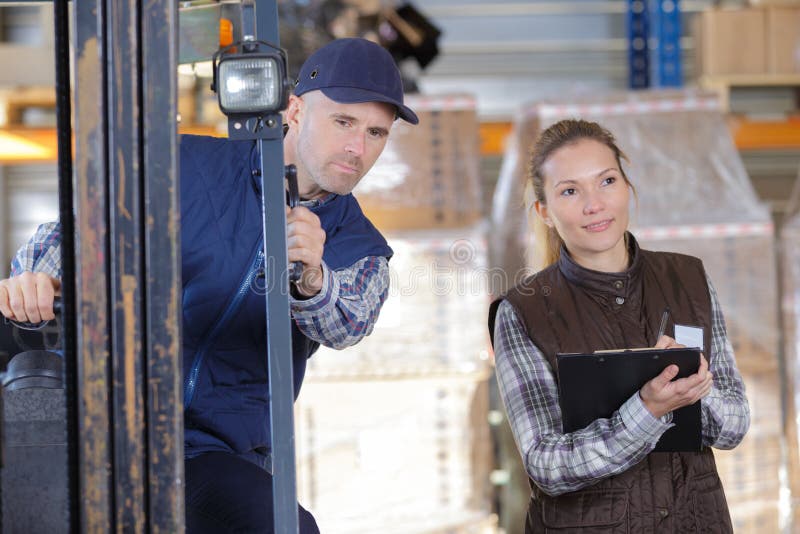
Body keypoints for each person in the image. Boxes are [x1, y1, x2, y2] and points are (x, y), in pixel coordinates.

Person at [0, 38, 418, 533]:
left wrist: (312, 278)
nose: (357, 148)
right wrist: (38, 277)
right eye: (343, 122)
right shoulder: (185, 164)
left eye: (376, 133)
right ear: (296, 109)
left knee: (288, 529)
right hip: (98, 408)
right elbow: (82, 225)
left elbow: (350, 321)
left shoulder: (362, 247)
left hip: (207, 451)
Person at [487, 119, 749, 532]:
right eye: (570, 191)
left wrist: (697, 388)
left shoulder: (689, 279)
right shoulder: (523, 312)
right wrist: (646, 411)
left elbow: (733, 427)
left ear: (627, 187)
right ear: (545, 213)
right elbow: (547, 464)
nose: (595, 204)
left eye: (606, 181)